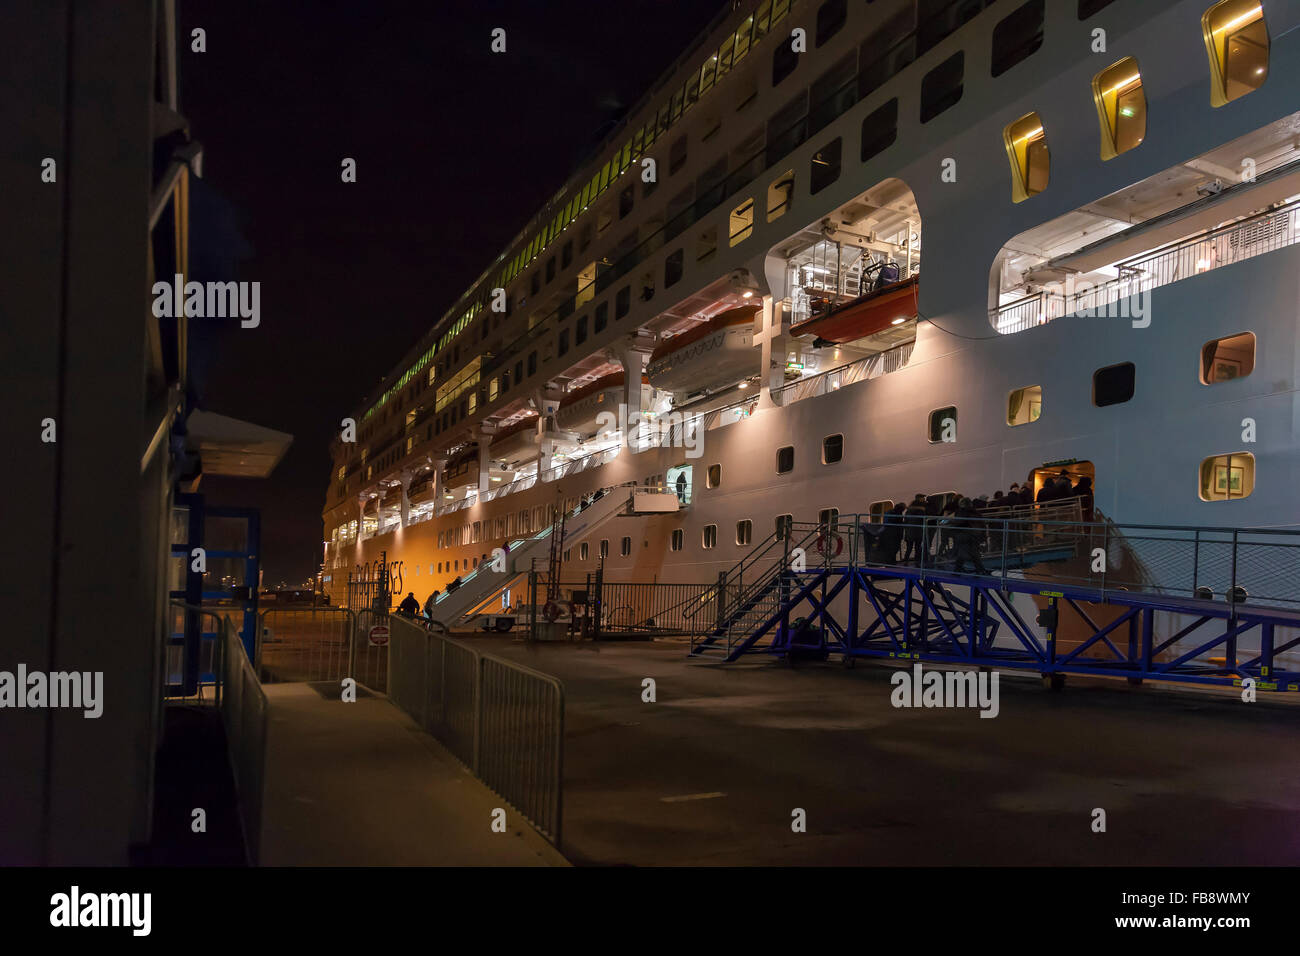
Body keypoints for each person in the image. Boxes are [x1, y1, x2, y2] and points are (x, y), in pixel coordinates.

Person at [952, 498, 989, 574]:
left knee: (962, 554)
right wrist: (983, 536)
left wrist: (953, 530)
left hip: (964, 536)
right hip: (975, 536)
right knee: (974, 553)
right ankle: (980, 570)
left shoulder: (961, 512)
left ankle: (957, 570)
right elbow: (982, 525)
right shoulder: (976, 513)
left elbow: (958, 523)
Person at [902, 494, 927, 564]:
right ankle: (917, 561)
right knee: (917, 547)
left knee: (909, 548)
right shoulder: (921, 511)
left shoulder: (908, 511)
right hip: (918, 531)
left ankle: (905, 560)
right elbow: (922, 521)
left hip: (909, 532)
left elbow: (905, 521)